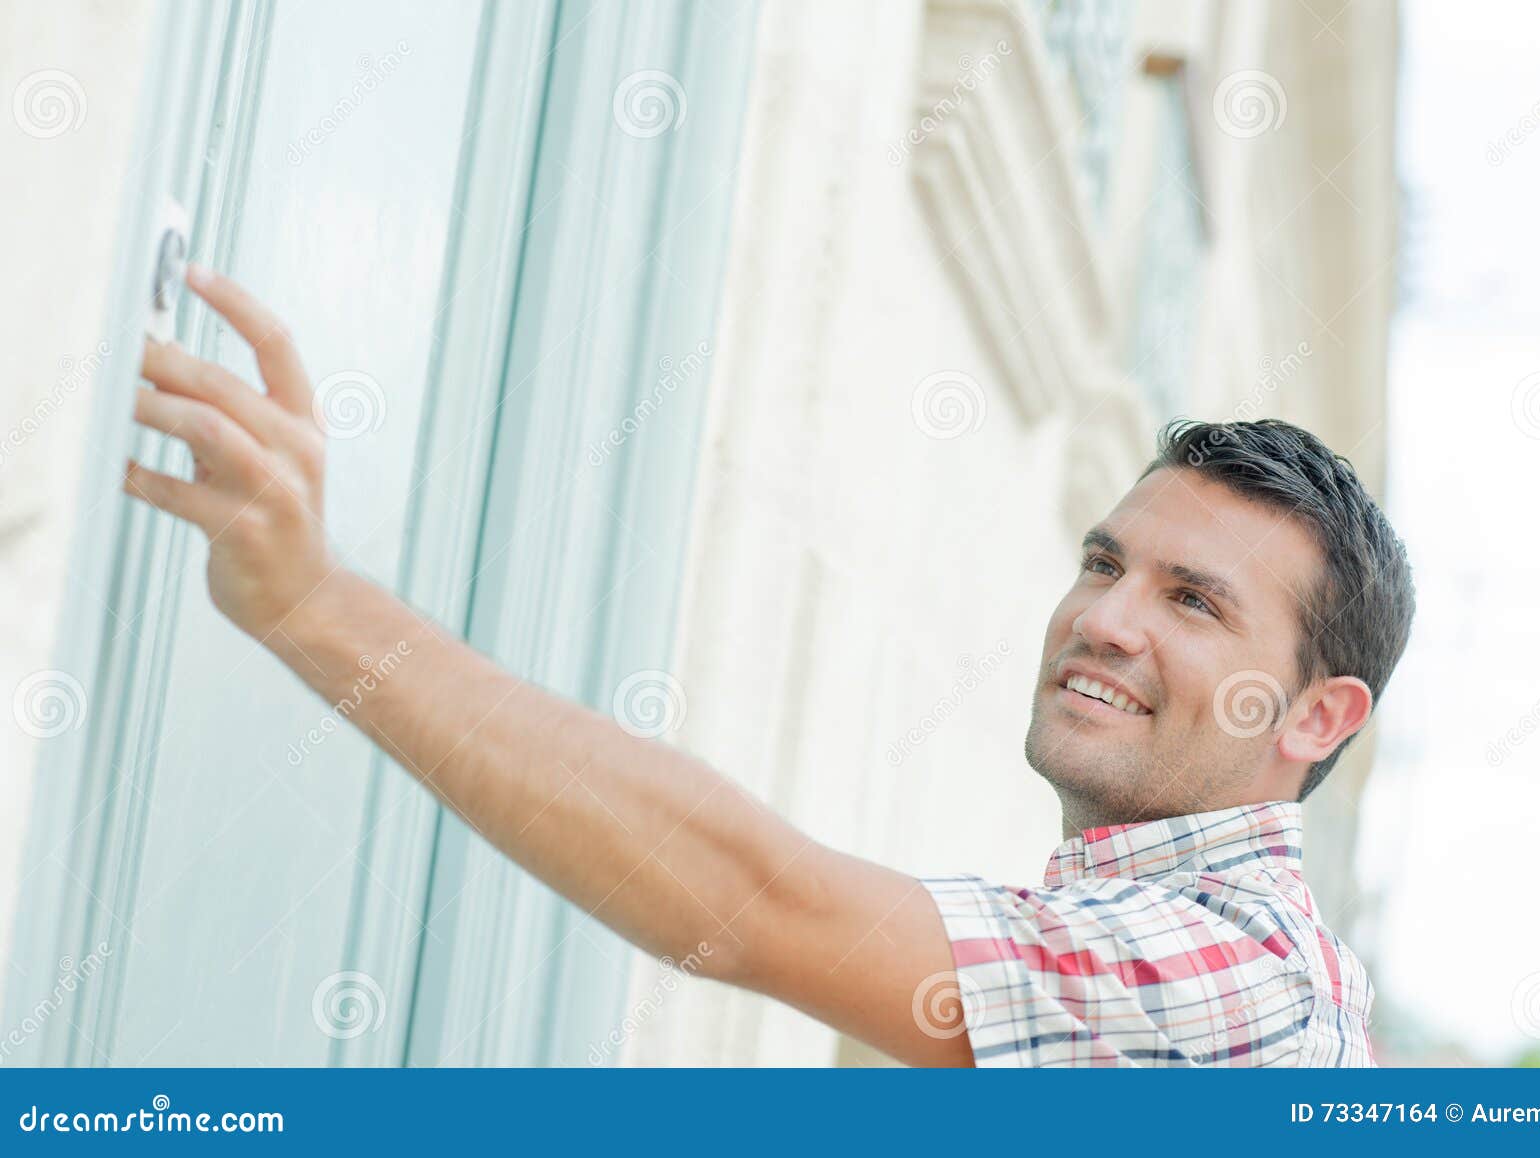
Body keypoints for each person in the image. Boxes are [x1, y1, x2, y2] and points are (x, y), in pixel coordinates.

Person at [124, 266, 1415, 1067]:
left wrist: (311, 604)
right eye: (1103, 561)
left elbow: (754, 902)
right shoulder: (1216, 954)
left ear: (1318, 714)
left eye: (1191, 600)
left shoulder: (1233, 977)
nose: (1106, 618)